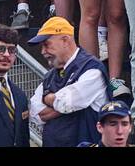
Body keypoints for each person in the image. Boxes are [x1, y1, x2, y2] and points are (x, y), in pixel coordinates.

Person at [28, 16, 110, 147]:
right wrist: (66, 103)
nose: (43, 51)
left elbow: (65, 103)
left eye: (46, 44)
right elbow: (36, 114)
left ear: (65, 40)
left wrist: (47, 98)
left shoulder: (92, 69)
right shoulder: (50, 76)